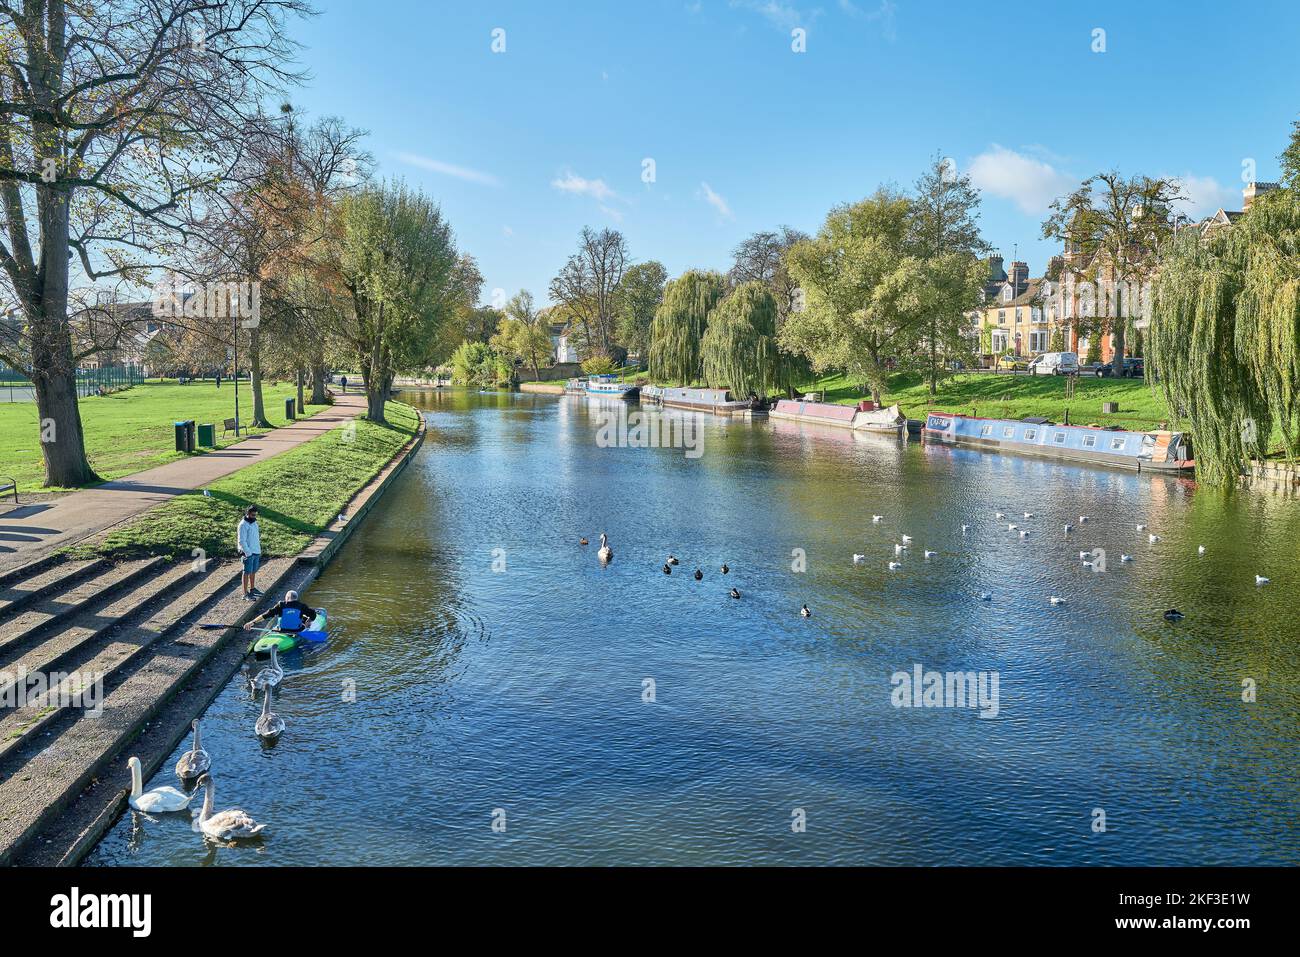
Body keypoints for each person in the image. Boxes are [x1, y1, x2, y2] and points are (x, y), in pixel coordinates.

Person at [248, 590, 317, 633]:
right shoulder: (302, 606)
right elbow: (313, 614)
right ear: (296, 598)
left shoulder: (280, 605)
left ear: (286, 598)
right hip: (296, 630)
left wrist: (252, 622)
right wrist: (309, 621)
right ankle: (305, 626)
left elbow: (266, 615)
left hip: (282, 630)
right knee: (304, 618)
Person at [237, 506, 262, 600]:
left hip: (256, 551)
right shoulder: (243, 525)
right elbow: (241, 541)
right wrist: (248, 553)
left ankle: (252, 589)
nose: (254, 516)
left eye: (255, 515)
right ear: (247, 514)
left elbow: (256, 537)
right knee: (246, 572)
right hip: (248, 553)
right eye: (252, 515)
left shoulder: (255, 523)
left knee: (253, 571)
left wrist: (258, 550)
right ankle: (244, 593)